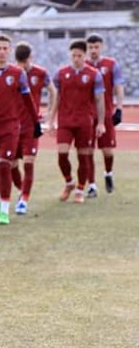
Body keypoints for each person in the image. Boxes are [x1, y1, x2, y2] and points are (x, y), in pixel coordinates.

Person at [0, 34, 39, 225]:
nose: (1, 52)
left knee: (5, 164)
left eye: (4, 48)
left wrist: (36, 122)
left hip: (10, 127)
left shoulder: (18, 74)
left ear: (10, 51)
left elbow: (28, 100)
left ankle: (5, 210)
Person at [46, 40, 106, 203]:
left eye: (79, 55)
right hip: (65, 121)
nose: (76, 59)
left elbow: (100, 100)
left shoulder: (94, 74)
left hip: (85, 122)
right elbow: (56, 97)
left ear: (85, 56)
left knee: (83, 157)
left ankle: (80, 189)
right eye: (74, 55)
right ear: (70, 55)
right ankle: (69, 182)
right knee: (62, 154)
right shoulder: (61, 73)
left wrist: (100, 123)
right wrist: (51, 119)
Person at [13, 41, 51, 214]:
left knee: (28, 162)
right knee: (11, 165)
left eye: (25, 62)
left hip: (30, 126)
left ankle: (23, 200)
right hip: (12, 125)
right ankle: (22, 191)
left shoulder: (40, 73)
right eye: (19, 62)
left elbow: (53, 91)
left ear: (30, 58)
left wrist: (50, 112)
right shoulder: (11, 73)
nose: (22, 66)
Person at [85, 33, 125, 195]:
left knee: (107, 150)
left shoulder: (110, 64)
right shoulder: (83, 65)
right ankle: (91, 185)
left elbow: (118, 87)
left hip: (106, 113)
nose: (93, 50)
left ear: (101, 47)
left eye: (96, 47)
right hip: (87, 115)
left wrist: (119, 109)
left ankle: (108, 174)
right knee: (87, 150)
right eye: (90, 47)